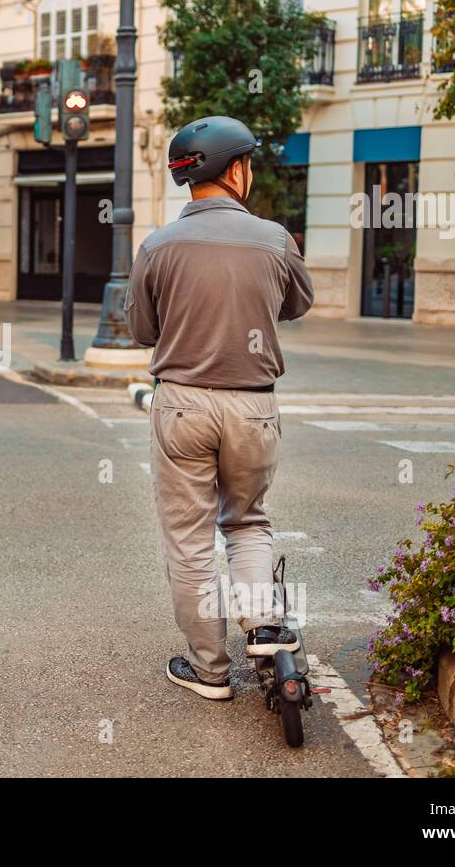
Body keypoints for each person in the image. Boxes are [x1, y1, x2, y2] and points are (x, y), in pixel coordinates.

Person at [124, 115, 315, 700]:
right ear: (235, 170)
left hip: (181, 405)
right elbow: (296, 304)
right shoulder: (275, 239)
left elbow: (140, 329)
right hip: (253, 407)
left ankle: (209, 670)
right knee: (247, 523)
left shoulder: (156, 245)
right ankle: (263, 630)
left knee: (189, 539)